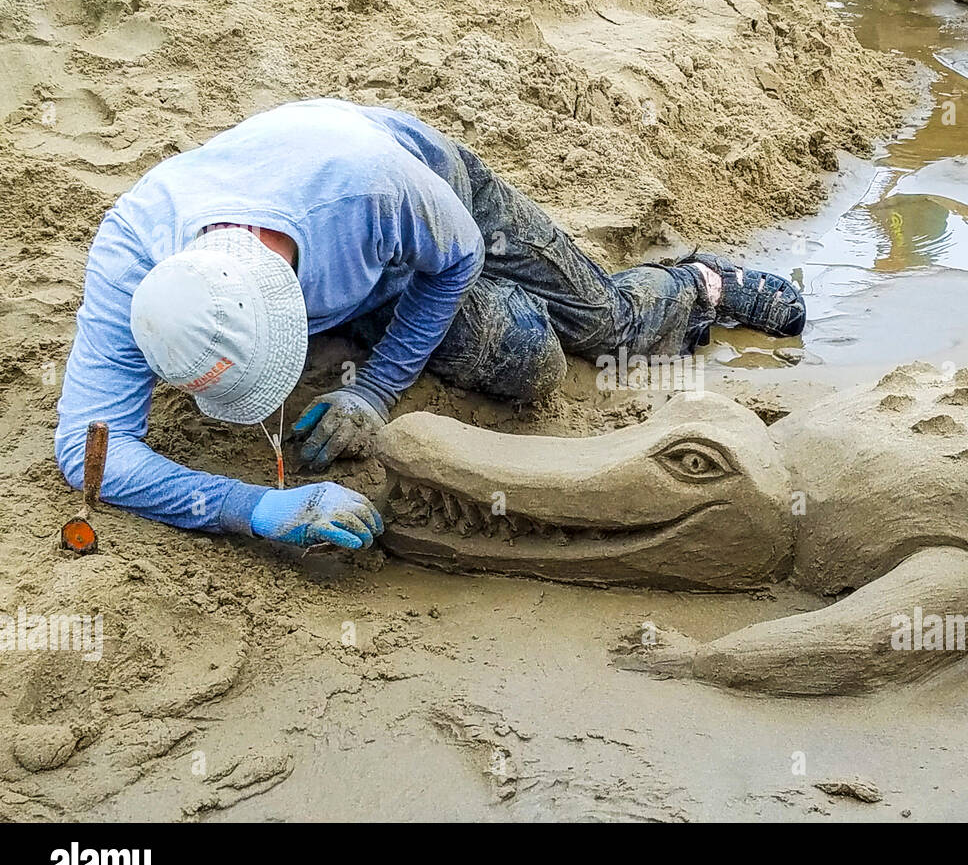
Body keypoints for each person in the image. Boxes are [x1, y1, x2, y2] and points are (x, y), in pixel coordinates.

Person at [55, 99, 806, 550]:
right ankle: (460, 315)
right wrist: (247, 506)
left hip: (439, 202)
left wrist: (375, 392)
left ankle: (701, 285)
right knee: (526, 355)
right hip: (360, 272)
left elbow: (458, 256)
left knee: (595, 327)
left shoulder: (366, 188)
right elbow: (88, 453)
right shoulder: (133, 256)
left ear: (287, 295)